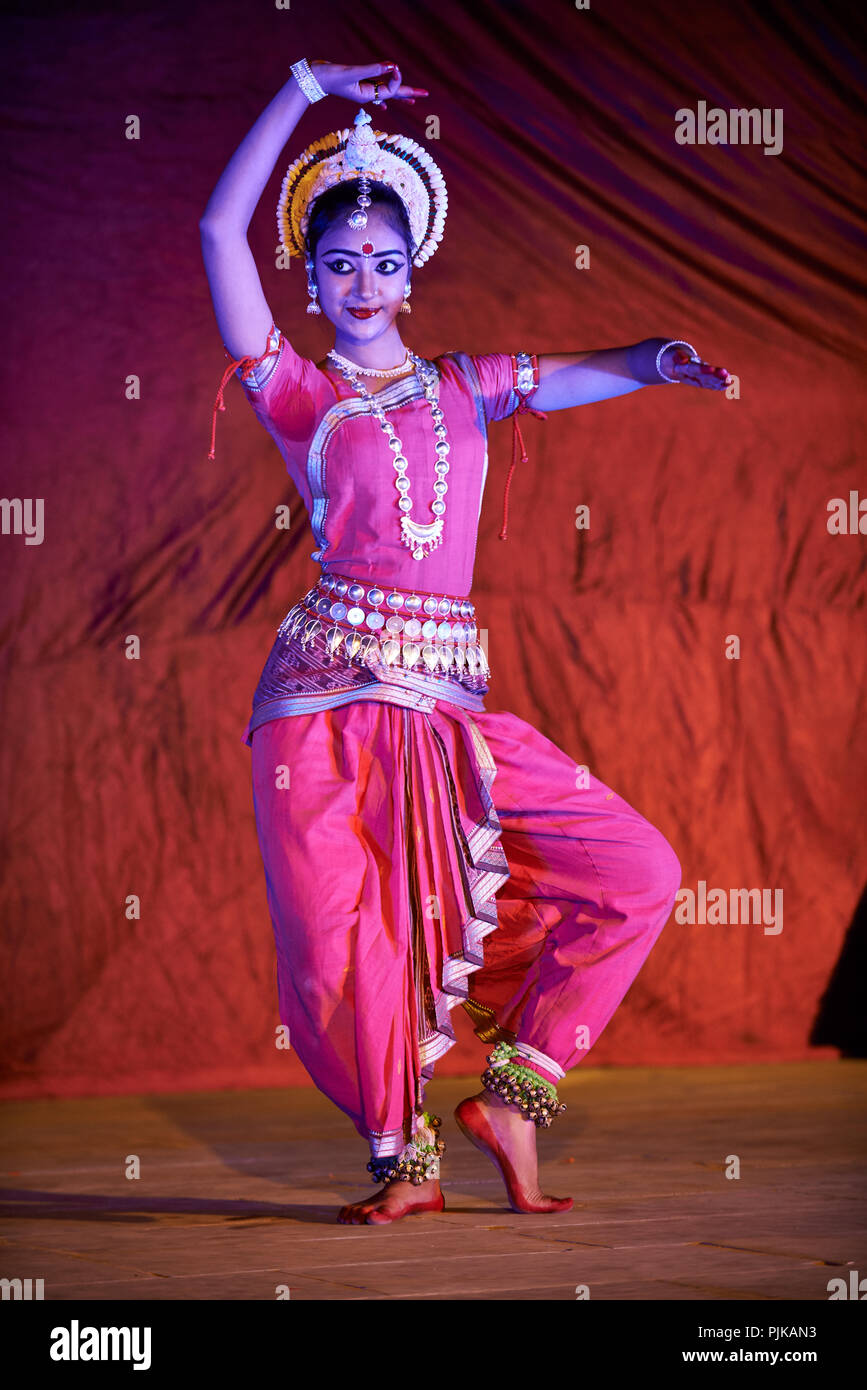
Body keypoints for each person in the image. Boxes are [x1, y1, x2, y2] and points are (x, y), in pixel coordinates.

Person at [201, 58, 732, 1226]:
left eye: (384, 263)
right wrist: (296, 88)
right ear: (314, 273)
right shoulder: (297, 392)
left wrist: (653, 363)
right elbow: (215, 229)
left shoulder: (465, 383)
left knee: (636, 867)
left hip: (446, 706)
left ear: (411, 269)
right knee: (349, 950)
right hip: (325, 709)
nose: (362, 284)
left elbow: (569, 377)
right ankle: (405, 1159)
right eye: (339, 265)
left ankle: (513, 1097)